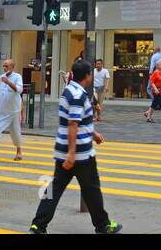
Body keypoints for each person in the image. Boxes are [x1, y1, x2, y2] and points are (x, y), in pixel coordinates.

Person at [29, 59, 122, 234]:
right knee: (92, 189)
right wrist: (72, 153)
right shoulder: (79, 95)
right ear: (87, 76)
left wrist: (93, 134)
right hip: (79, 153)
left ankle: (38, 225)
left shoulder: (68, 90)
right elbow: (73, 123)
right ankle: (103, 225)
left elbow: (76, 121)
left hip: (63, 149)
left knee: (54, 190)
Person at [145, 55, 161, 123]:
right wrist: (155, 89)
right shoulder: (155, 72)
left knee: (153, 105)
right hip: (158, 92)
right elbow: (152, 81)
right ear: (157, 65)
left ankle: (148, 117)